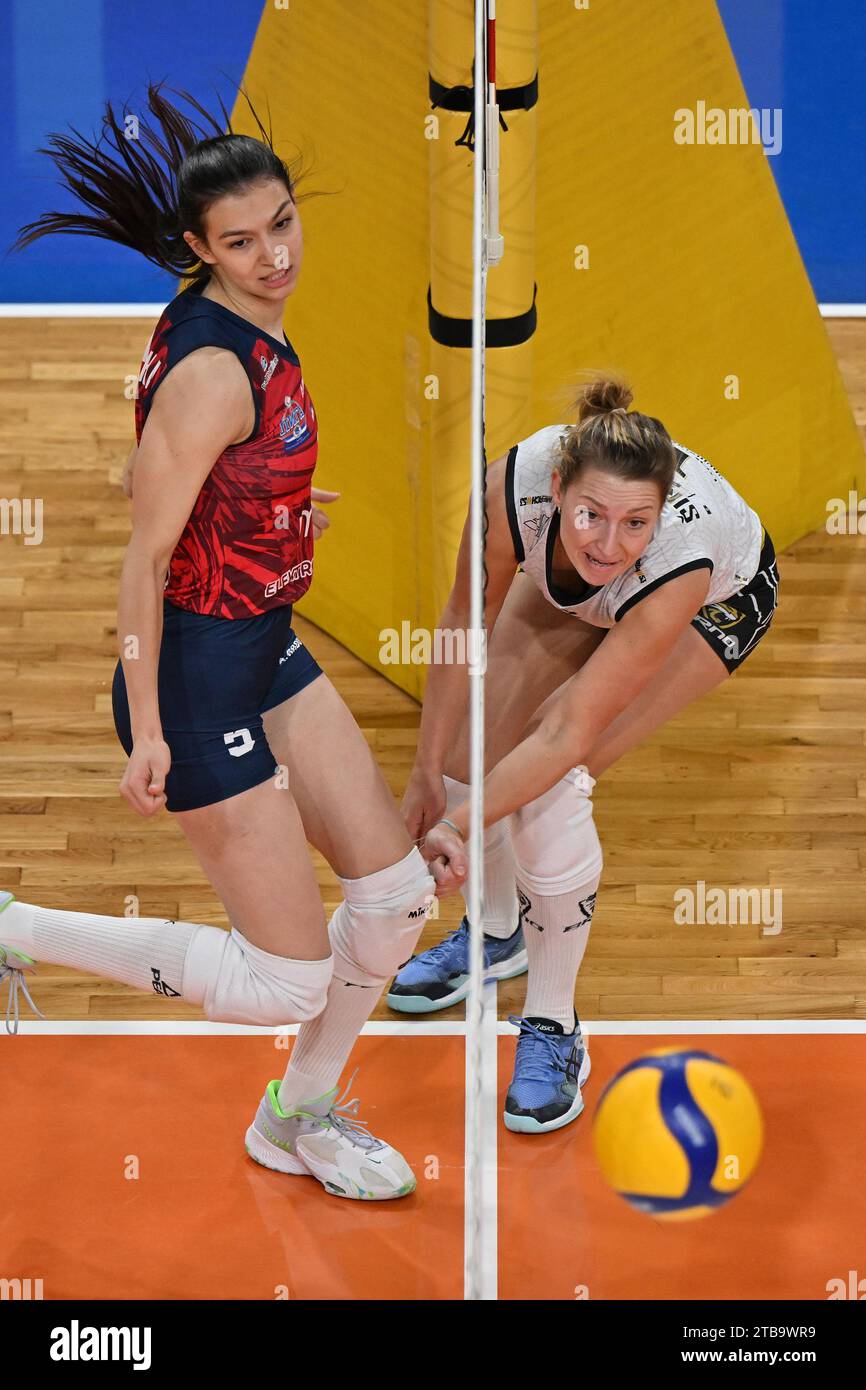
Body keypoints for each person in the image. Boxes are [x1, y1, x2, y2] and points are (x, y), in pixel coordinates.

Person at [0, 82, 436, 1201]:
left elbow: (215, 495)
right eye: (241, 242)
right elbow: (141, 559)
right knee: (287, 979)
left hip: (263, 644)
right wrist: (147, 731)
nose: (273, 254)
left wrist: (282, 509)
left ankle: (297, 1115)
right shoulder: (210, 371)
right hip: (194, 686)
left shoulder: (244, 323)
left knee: (391, 901)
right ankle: (15, 924)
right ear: (199, 248)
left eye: (282, 223)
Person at [391, 377, 779, 1134]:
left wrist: (459, 828)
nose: (607, 543)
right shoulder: (512, 491)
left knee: (551, 786)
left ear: (659, 516)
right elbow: (458, 625)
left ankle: (554, 1025)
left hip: (713, 605)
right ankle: (496, 934)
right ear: (559, 487)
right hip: (579, 579)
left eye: (635, 521)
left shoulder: (675, 559)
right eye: (591, 514)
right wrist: (426, 776)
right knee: (473, 749)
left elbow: (565, 734)